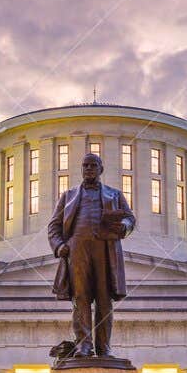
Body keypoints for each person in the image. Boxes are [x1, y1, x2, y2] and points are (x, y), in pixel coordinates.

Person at [47, 153, 136, 358]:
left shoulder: (114, 195)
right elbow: (54, 225)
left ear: (101, 169)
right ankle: (84, 345)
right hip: (77, 250)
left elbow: (130, 218)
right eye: (85, 165)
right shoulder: (68, 196)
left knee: (104, 300)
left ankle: (103, 347)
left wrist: (124, 226)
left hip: (105, 250)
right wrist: (59, 246)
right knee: (81, 297)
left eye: (93, 165)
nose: (88, 169)